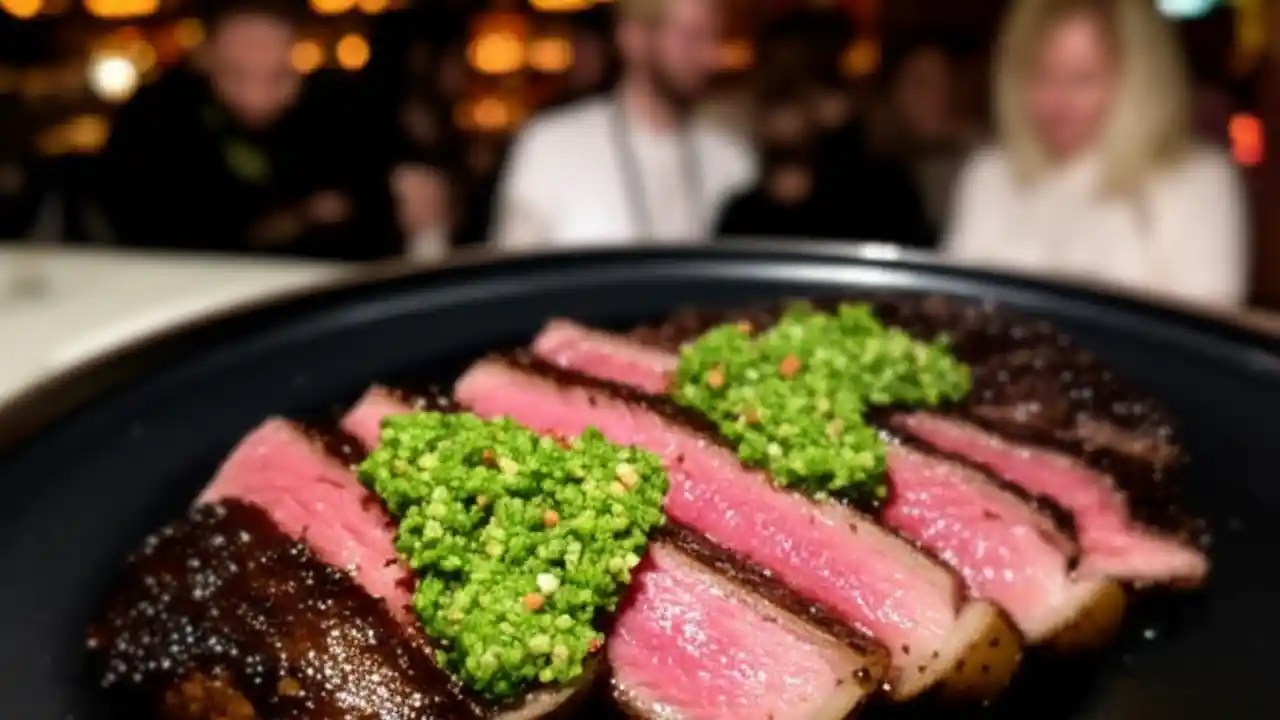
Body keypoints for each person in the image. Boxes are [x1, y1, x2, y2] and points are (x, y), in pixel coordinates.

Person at [947, 0, 1248, 306]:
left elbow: (1201, 331)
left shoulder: (1196, 181)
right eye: (1040, 76)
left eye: (1082, 78)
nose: (1056, 102)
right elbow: (954, 305)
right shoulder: (989, 173)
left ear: (1139, 80)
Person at [99, 0, 396, 259]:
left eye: (278, 76)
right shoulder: (154, 120)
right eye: (236, 75)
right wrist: (298, 219)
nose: (257, 98)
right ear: (205, 56)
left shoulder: (341, 117)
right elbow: (153, 238)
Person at [490, 0, 755, 249]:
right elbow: (510, 283)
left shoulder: (731, 157)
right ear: (633, 38)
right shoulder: (551, 146)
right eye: (691, 37)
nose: (710, 56)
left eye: (714, 36)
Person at [865, 35, 975, 237]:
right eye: (922, 84)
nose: (939, 96)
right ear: (890, 93)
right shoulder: (866, 177)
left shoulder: (976, 160)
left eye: (945, 82)